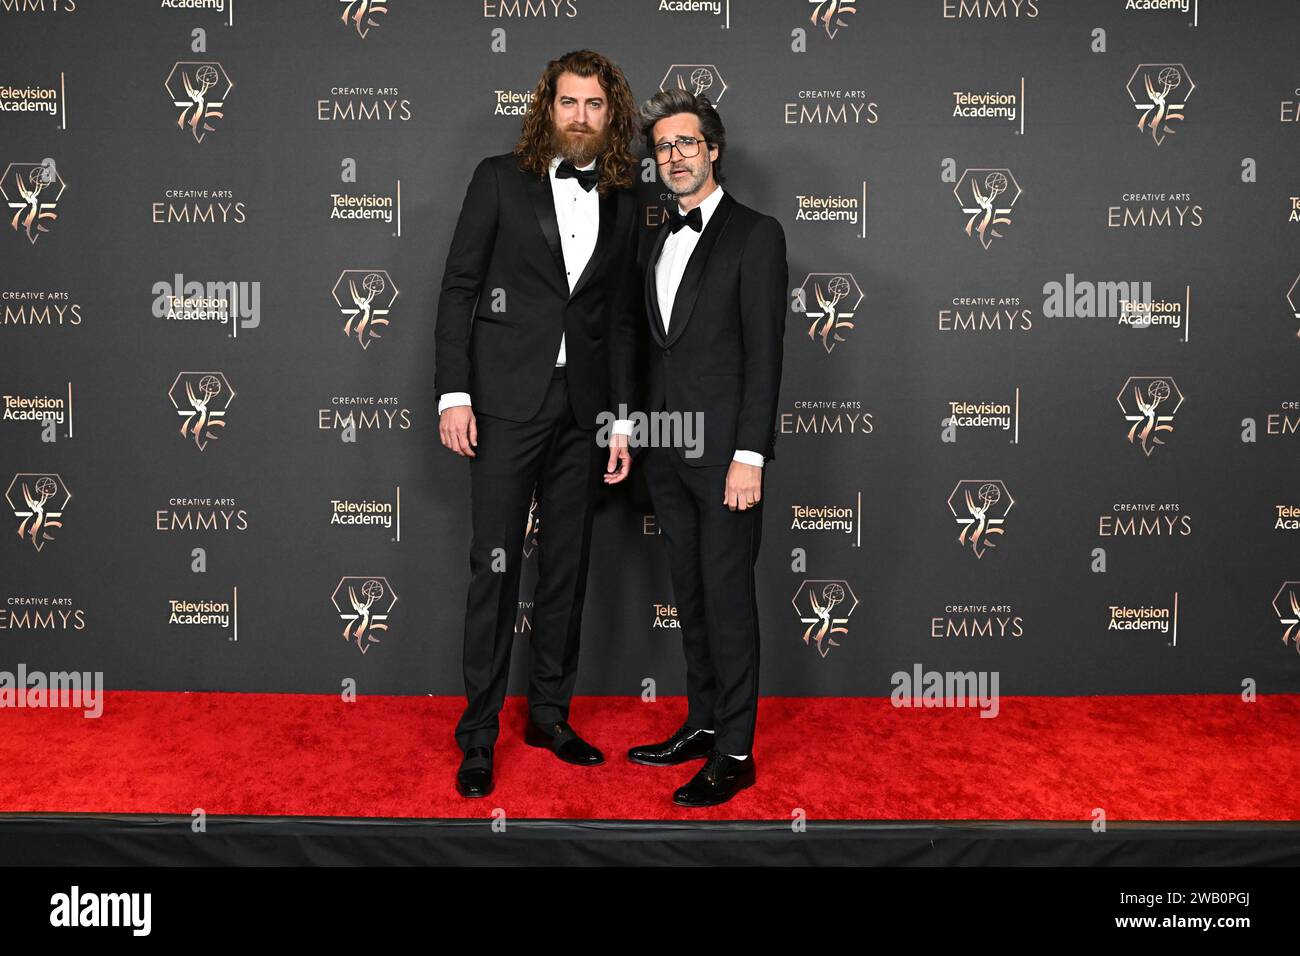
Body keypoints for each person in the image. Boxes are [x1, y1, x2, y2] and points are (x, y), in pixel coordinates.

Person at [435, 50, 641, 798]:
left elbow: (619, 321)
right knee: (494, 568)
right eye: (569, 102)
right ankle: (479, 736)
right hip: (502, 404)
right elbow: (459, 287)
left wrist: (621, 419)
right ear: (546, 108)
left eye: (595, 104)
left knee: (567, 569)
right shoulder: (499, 178)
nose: (581, 116)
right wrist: (453, 395)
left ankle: (550, 716)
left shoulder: (621, 198)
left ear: (610, 114)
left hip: (584, 412)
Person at [626, 89, 787, 807]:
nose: (674, 157)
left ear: (714, 149)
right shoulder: (658, 235)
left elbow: (764, 355)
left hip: (725, 461)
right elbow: (652, 349)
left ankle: (737, 749)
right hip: (666, 450)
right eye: (662, 147)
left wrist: (750, 455)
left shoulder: (757, 234)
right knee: (690, 597)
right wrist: (631, 426)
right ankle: (701, 722)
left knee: (727, 601)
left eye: (687, 143)